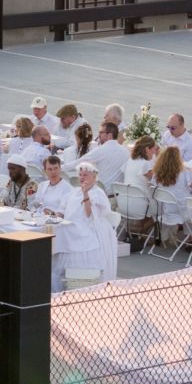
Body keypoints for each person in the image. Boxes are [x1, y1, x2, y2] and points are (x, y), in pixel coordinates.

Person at [52, 161, 117, 291]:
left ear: (94, 177)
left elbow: (89, 215)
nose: (82, 177)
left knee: (80, 238)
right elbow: (63, 210)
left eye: (85, 175)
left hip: (88, 227)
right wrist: (54, 214)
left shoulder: (97, 193)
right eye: (80, 174)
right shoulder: (74, 192)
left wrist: (86, 193)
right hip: (71, 226)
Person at [83, 121, 130, 186]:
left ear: (110, 135)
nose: (99, 135)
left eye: (101, 133)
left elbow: (80, 162)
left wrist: (66, 167)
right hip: (116, 191)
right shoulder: (126, 152)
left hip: (101, 190)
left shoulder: (101, 150)